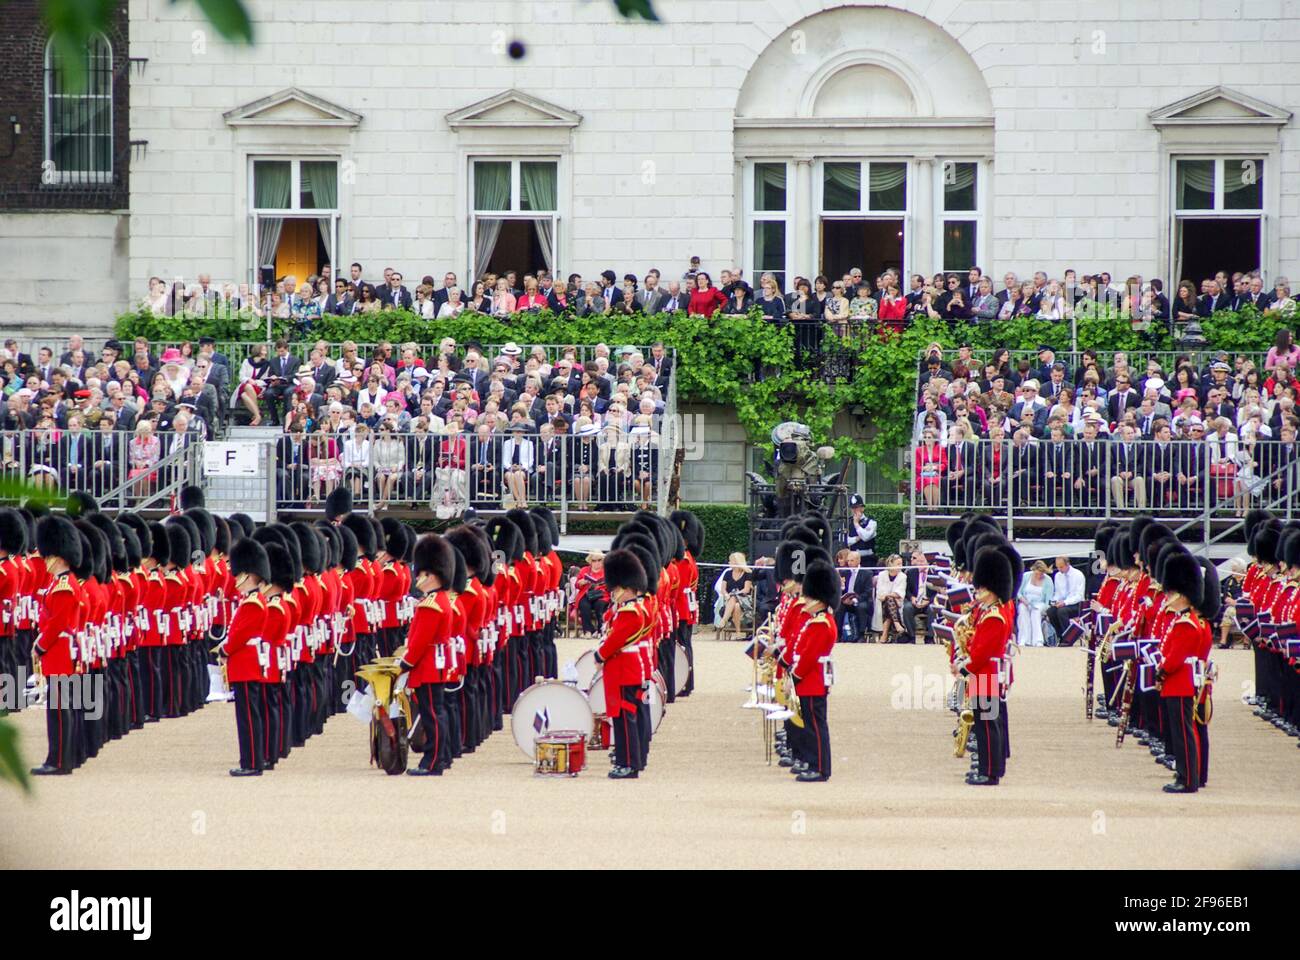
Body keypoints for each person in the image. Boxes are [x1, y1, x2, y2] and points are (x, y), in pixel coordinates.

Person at [30, 515, 83, 775]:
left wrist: (40, 646)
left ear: (58, 555)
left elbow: (58, 623)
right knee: (59, 708)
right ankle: (60, 757)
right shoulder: (59, 583)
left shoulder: (63, 586)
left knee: (59, 710)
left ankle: (59, 761)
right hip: (59, 652)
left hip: (59, 652)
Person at [593, 549, 653, 779]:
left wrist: (600, 655)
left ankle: (627, 763)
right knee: (624, 717)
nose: (614, 592)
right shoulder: (629, 609)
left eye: (617, 588)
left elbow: (616, 640)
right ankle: (629, 760)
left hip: (624, 670)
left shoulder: (630, 612)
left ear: (627, 587)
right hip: (625, 669)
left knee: (625, 718)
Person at [400, 533, 455, 776]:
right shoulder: (438, 599)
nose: (417, 578)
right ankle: (438, 758)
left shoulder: (432, 604)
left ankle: (432, 761)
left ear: (431, 575)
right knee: (436, 713)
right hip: (434, 665)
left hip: (428, 667)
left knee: (432, 715)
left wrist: (405, 663)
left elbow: (420, 641)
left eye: (421, 574)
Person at [781, 559, 839, 782]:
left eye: (810, 597)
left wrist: (793, 678)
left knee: (815, 727)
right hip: (809, 681)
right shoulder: (818, 620)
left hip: (812, 681)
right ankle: (812, 762)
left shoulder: (821, 623)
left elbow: (808, 658)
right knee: (809, 726)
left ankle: (821, 768)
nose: (805, 601)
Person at [216, 537, 270, 776]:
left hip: (245, 665)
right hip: (246, 664)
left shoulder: (253, 604)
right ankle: (251, 760)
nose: (235, 580)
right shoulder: (251, 601)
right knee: (249, 716)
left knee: (248, 717)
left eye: (238, 576)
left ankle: (251, 763)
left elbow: (239, 636)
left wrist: (224, 650)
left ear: (249, 576)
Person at [1048, 555, 1086, 644]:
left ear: (1067, 564)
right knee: (1050, 611)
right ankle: (1061, 636)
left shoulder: (1078, 575)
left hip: (1077, 604)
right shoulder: (1058, 576)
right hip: (1063, 603)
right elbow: (1058, 593)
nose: (1059, 569)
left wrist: (1065, 602)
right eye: (1057, 567)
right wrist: (1055, 601)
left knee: (1062, 611)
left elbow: (1079, 596)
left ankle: (1069, 638)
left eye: (1061, 567)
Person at [1016, 560, 1053, 647]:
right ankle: (1024, 639)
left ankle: (1038, 640)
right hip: (1026, 601)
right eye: (1036, 574)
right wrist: (1024, 600)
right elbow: (1018, 592)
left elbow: (1048, 600)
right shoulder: (1026, 576)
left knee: (1035, 612)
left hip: (1040, 604)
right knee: (1022, 610)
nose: (1038, 576)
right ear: (1033, 570)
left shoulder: (1048, 580)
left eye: (1041, 574)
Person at [872, 554, 907, 643]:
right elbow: (880, 592)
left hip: (896, 603)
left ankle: (884, 634)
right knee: (888, 601)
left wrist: (888, 596)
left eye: (901, 564)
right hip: (882, 602)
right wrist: (887, 596)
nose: (900, 566)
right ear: (891, 564)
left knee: (889, 600)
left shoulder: (903, 576)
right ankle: (896, 624)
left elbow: (900, 592)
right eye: (898, 564)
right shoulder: (882, 575)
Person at [717, 552, 753, 639]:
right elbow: (723, 589)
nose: (729, 563)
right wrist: (726, 594)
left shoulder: (747, 574)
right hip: (730, 601)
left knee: (734, 597)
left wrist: (735, 594)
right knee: (736, 605)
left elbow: (746, 589)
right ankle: (738, 633)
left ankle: (724, 620)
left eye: (731, 561)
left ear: (737, 562)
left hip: (744, 599)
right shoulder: (728, 573)